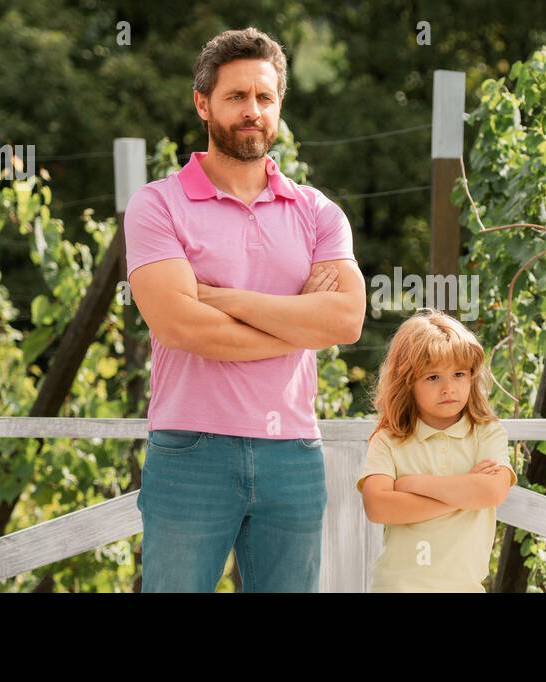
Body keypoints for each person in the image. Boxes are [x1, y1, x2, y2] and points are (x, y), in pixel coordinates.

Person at [124, 27, 365, 592]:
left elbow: (345, 321)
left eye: (264, 97)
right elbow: (180, 325)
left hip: (294, 455)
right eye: (235, 97)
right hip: (190, 450)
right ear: (202, 103)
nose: (252, 111)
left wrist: (221, 299)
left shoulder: (317, 212)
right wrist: (298, 323)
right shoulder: (158, 204)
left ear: (278, 104)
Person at [356, 310, 515, 592]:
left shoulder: (486, 433)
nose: (448, 388)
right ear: (407, 383)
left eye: (458, 374)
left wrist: (415, 485)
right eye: (432, 377)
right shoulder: (389, 439)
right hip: (398, 586)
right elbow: (377, 506)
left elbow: (491, 492)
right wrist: (464, 493)